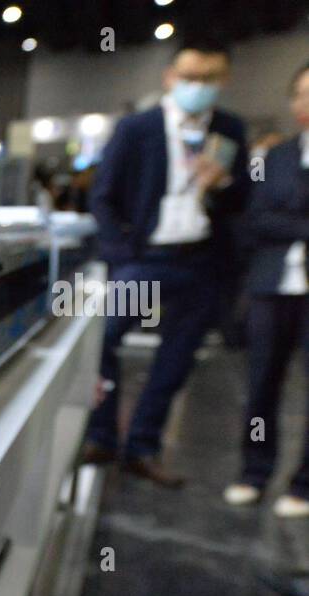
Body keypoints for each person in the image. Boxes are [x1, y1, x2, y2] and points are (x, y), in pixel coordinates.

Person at [84, 39, 249, 487]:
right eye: (189, 77)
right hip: (145, 259)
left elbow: (242, 202)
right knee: (102, 338)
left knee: (175, 362)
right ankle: (101, 435)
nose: (197, 86)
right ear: (170, 77)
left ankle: (142, 447)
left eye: (208, 78)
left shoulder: (229, 130)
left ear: (223, 80)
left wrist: (224, 182)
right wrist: (121, 257)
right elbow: (101, 196)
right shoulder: (137, 128)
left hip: (201, 262)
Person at [223, 62, 309, 518]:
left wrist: (288, 225)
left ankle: (304, 484)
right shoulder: (273, 159)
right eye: (299, 94)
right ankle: (253, 471)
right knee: (261, 386)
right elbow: (255, 219)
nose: (304, 103)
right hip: (272, 286)